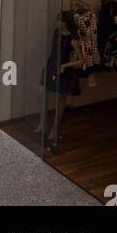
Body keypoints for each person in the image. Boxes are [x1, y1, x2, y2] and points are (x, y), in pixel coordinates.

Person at [42, 11, 83, 150]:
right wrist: (48, 66)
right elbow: (52, 51)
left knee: (61, 100)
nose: (58, 23)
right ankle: (45, 126)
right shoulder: (56, 32)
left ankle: (55, 129)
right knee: (43, 92)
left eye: (60, 21)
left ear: (66, 22)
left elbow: (81, 60)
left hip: (64, 71)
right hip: (52, 66)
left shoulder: (72, 39)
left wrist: (64, 66)